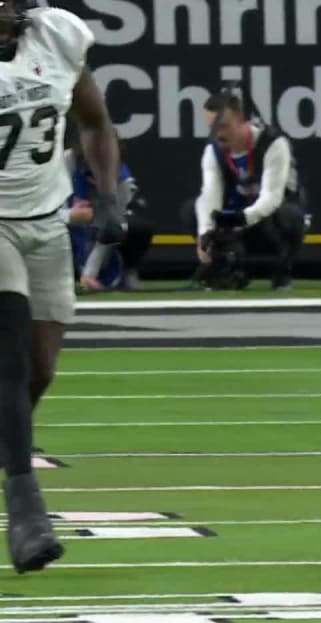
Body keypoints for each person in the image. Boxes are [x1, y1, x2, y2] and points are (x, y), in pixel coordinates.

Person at [0, 0, 125, 573]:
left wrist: (106, 193)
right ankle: (26, 511)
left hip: (46, 222)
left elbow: (95, 120)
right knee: (10, 360)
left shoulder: (55, 36)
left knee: (41, 371)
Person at [180, 92, 305, 291]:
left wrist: (240, 219)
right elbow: (210, 193)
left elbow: (271, 198)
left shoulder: (273, 143)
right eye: (212, 128)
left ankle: (282, 270)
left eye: (223, 127)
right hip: (236, 221)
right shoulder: (214, 151)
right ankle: (228, 269)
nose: (218, 134)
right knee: (191, 210)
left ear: (241, 120)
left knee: (290, 215)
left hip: (269, 222)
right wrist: (205, 233)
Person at [65, 135, 152, 292]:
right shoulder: (66, 163)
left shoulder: (124, 183)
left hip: (96, 235)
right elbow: (45, 212)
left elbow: (112, 229)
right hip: (63, 230)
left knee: (137, 227)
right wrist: (70, 216)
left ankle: (127, 270)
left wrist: (89, 274)